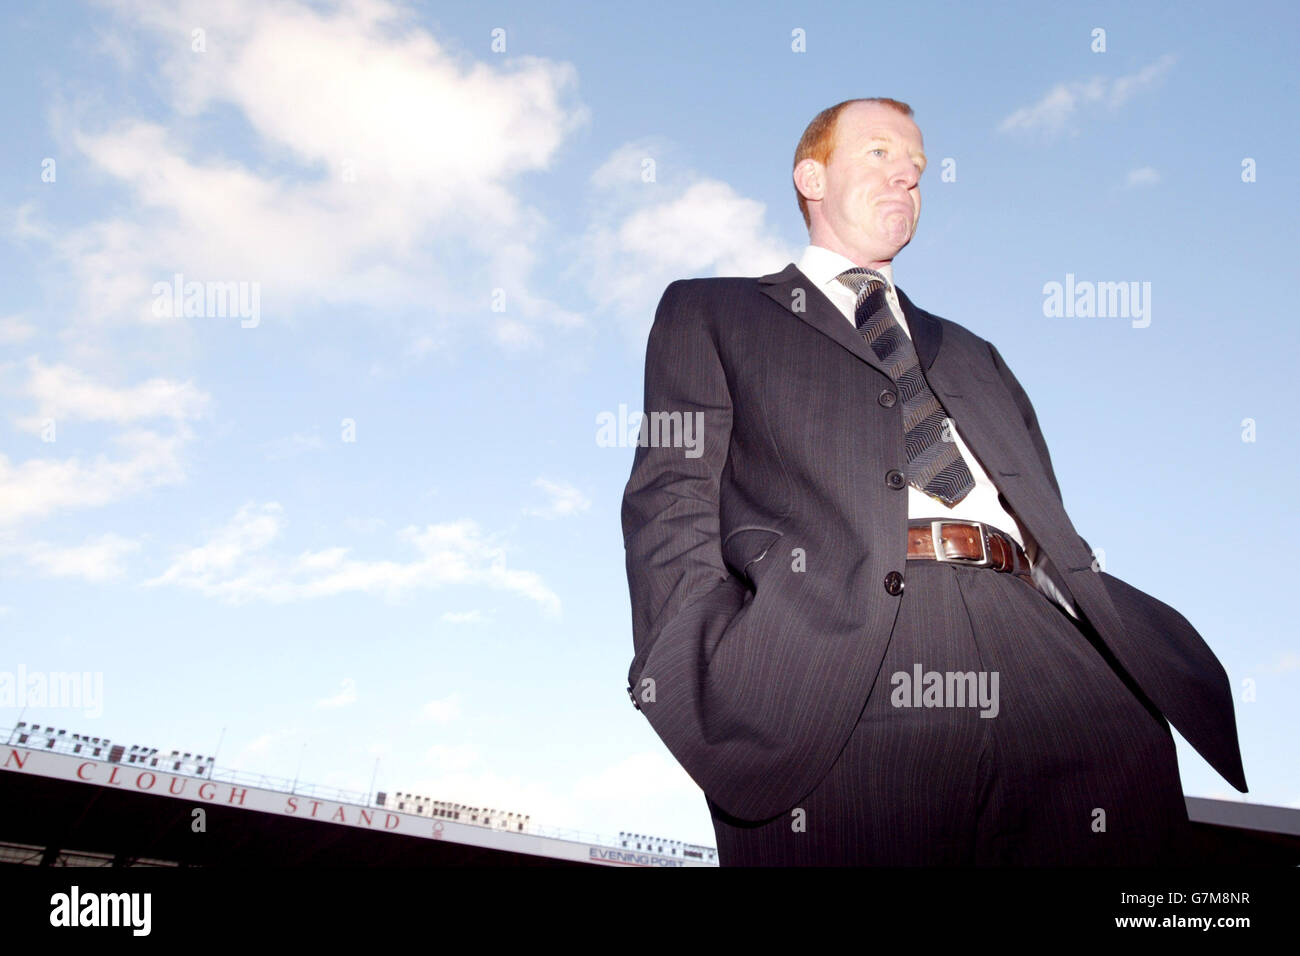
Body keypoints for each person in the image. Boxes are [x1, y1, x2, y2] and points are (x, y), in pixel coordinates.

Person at [620, 97, 1247, 865]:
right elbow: (670, 502)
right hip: (839, 671)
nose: (907, 177)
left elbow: (1046, 513)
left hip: (1053, 655)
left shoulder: (974, 351)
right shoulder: (711, 311)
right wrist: (703, 671)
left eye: (917, 171)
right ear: (810, 176)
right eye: (882, 153)